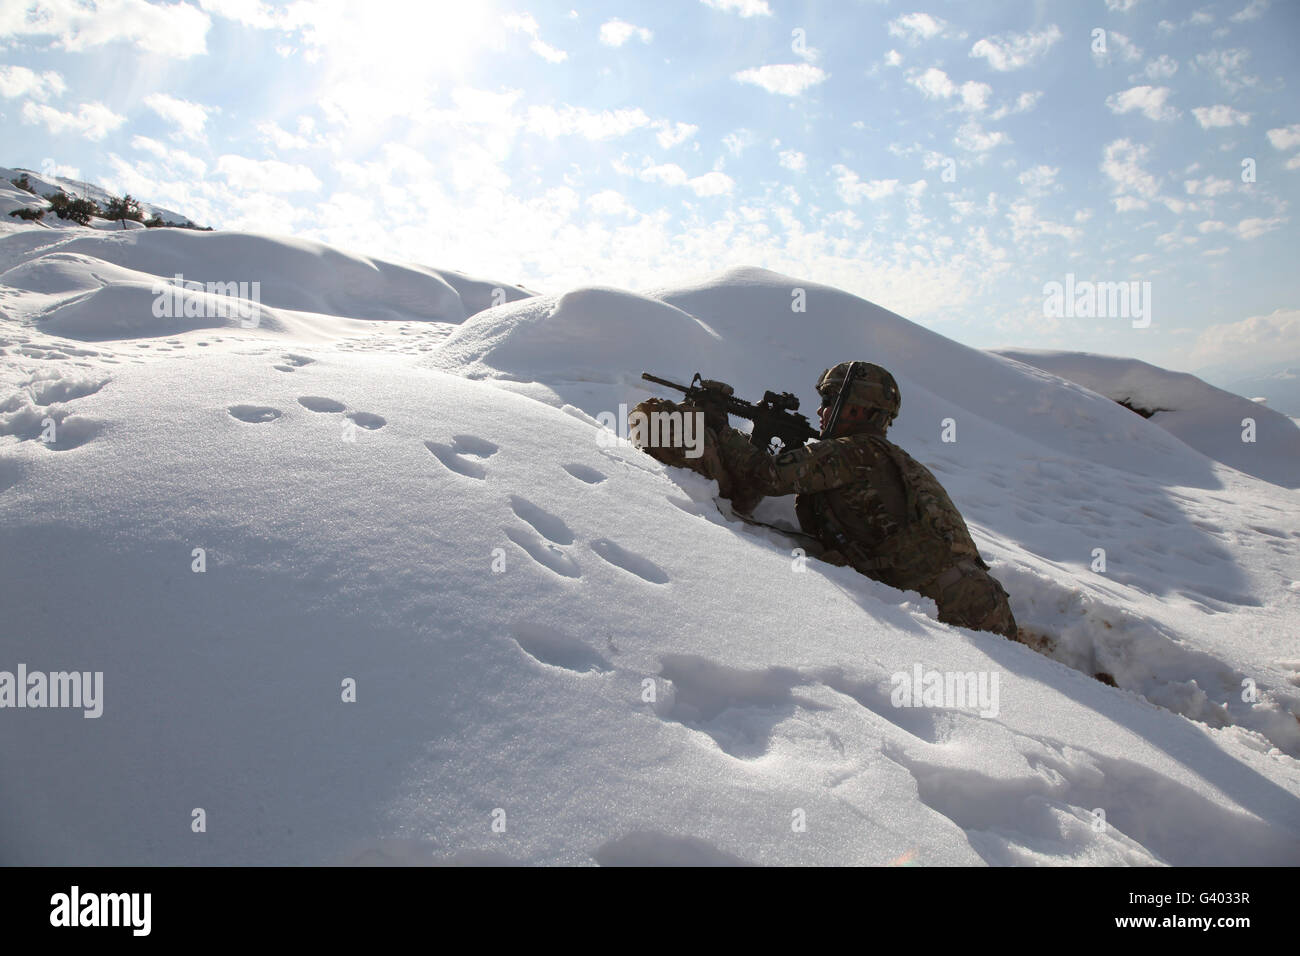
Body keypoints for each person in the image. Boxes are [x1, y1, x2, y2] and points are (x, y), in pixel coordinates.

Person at [633, 361, 1018, 639]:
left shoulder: (857, 451)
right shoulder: (885, 457)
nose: (821, 411)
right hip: (974, 602)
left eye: (831, 401)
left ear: (858, 409)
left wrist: (719, 426)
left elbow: (769, 476)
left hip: (955, 606)